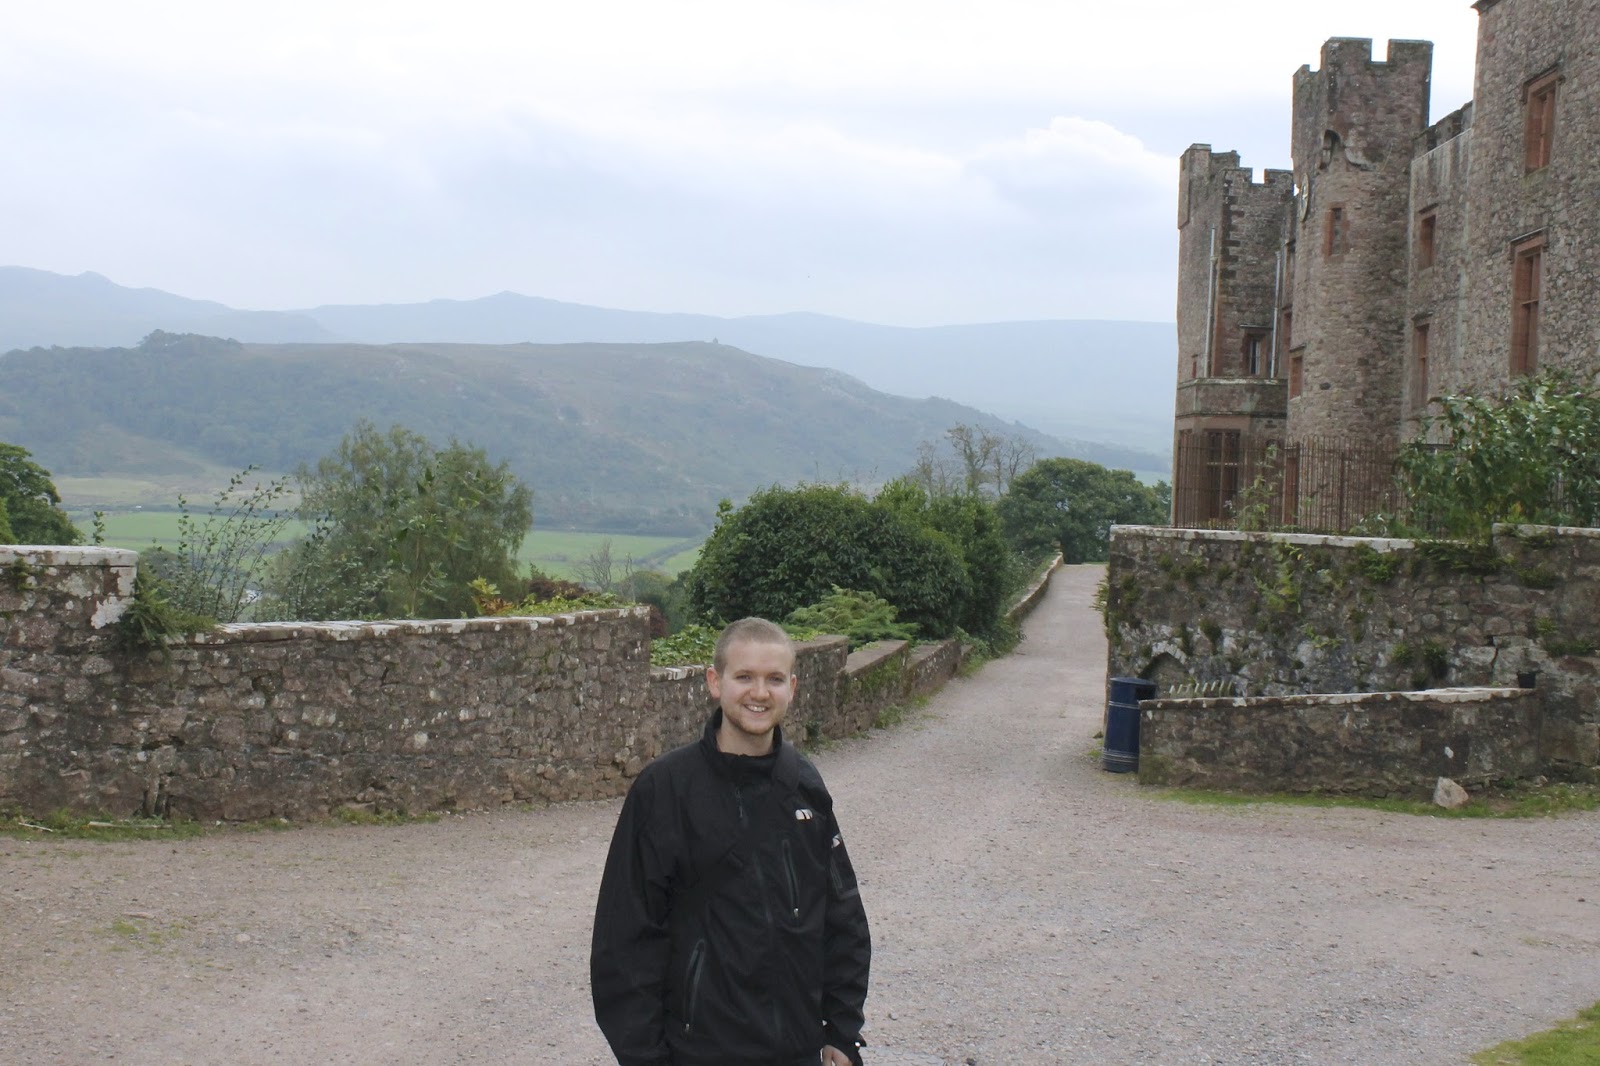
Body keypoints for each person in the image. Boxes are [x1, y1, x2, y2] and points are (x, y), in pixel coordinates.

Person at [591, 617, 872, 1065]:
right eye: (744, 677)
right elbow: (624, 941)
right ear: (714, 682)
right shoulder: (664, 791)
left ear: (792, 687)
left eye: (774, 679)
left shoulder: (805, 787)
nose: (759, 693)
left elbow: (844, 919)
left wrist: (842, 1030)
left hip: (798, 1052)